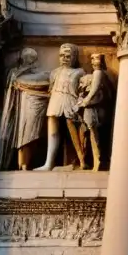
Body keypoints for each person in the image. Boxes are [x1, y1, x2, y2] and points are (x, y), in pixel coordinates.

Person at [36, 43, 85, 171]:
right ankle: (48, 163)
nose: (64, 58)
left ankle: (79, 160)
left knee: (72, 130)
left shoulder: (79, 72)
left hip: (71, 100)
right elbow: (50, 88)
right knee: (52, 131)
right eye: (61, 56)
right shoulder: (55, 72)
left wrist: (79, 103)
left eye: (68, 56)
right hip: (56, 99)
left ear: (74, 57)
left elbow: (81, 91)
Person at [0, 48, 49, 170]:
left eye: (32, 58)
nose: (29, 60)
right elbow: (12, 84)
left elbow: (46, 81)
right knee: (23, 137)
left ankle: (26, 164)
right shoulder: (14, 73)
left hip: (32, 106)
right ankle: (22, 164)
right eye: (27, 57)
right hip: (20, 109)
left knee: (31, 135)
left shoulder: (39, 74)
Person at [77, 53, 114, 171]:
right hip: (100, 109)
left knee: (94, 135)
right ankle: (97, 160)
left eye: (97, 58)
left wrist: (85, 101)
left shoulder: (98, 73)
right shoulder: (102, 75)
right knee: (94, 134)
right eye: (92, 58)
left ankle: (97, 160)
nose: (94, 61)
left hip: (96, 109)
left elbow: (94, 90)